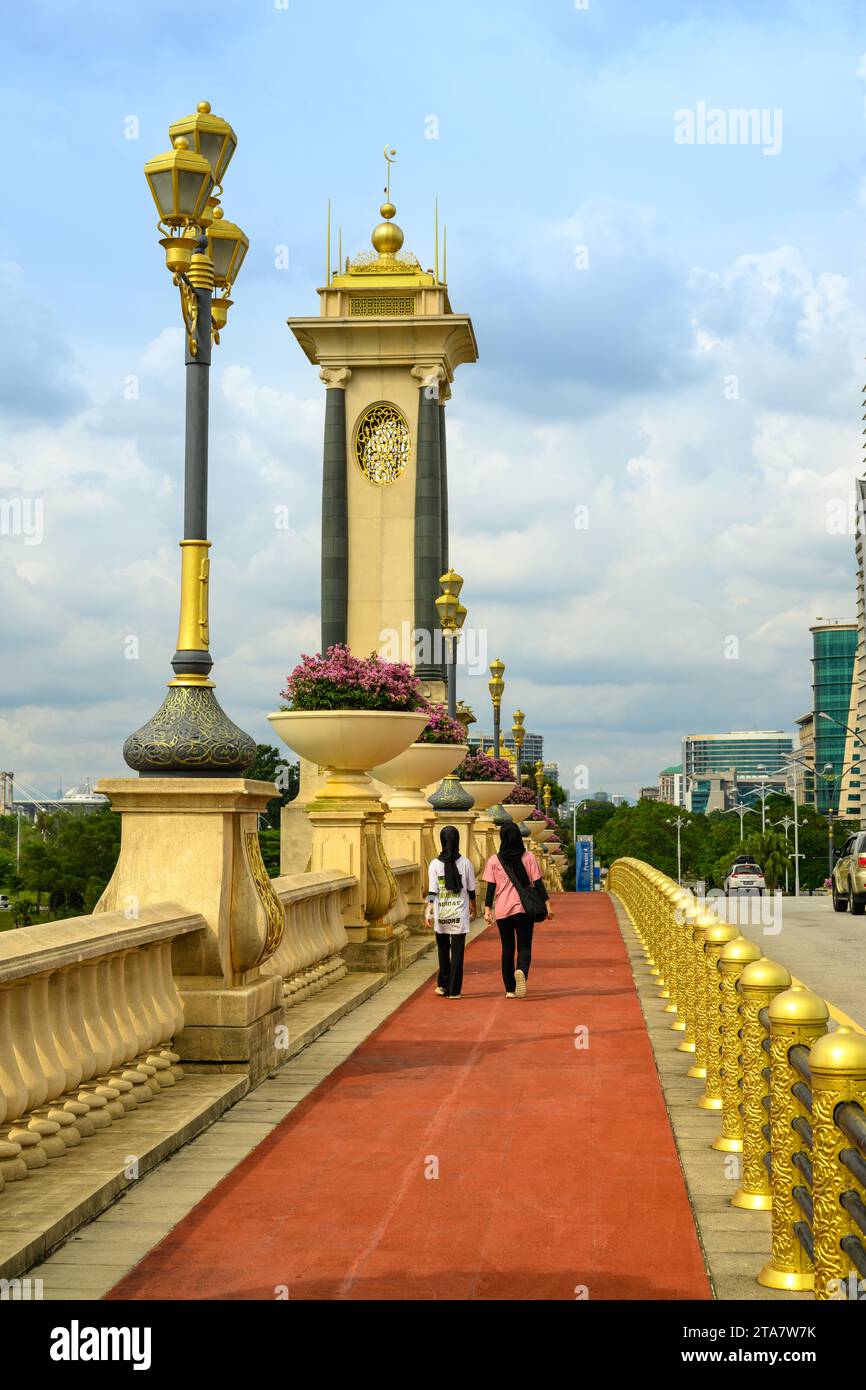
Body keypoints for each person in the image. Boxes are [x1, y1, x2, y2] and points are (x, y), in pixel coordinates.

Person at [483, 822, 550, 998]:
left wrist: (487, 909)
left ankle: (510, 989)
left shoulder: (494, 860)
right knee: (524, 946)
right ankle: (521, 971)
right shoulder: (528, 858)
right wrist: (548, 906)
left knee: (507, 949)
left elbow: (491, 888)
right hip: (524, 909)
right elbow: (538, 884)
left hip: (503, 910)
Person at [425, 825, 477, 999]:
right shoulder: (465, 863)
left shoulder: (434, 864)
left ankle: (443, 984)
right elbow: (471, 889)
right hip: (459, 914)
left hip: (442, 915)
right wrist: (473, 907)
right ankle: (454, 990)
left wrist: (428, 910)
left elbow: (432, 891)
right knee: (457, 952)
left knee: (442, 949)